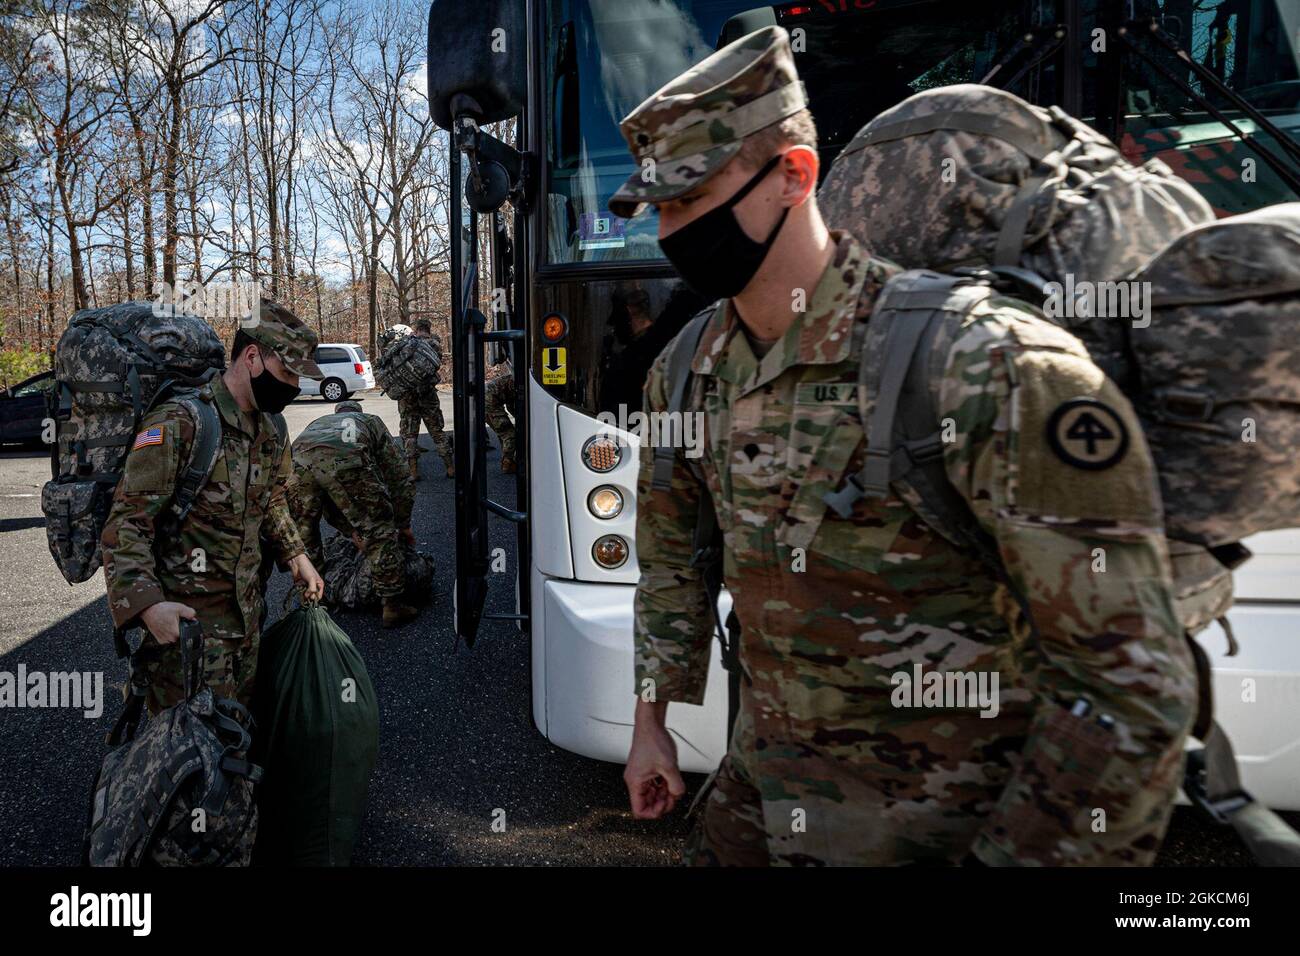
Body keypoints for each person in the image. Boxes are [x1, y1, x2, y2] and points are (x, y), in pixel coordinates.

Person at [611, 26, 1196, 866]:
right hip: (761, 799)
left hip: (947, 824)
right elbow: (670, 561)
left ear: (794, 176)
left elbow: (1130, 690)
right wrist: (651, 727)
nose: (672, 228)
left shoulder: (982, 363)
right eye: (658, 207)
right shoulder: (685, 371)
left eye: (692, 198)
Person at [101, 301, 326, 714]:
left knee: (236, 738)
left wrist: (296, 555)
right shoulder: (182, 423)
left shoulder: (271, 428)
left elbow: (272, 496)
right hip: (187, 634)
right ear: (253, 357)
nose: (293, 386)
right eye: (288, 373)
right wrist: (148, 606)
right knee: (184, 755)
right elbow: (127, 524)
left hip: (248, 620)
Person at [288, 399, 420, 628]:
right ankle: (392, 606)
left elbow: (330, 495)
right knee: (379, 526)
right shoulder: (370, 421)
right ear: (360, 411)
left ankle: (311, 599)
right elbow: (398, 474)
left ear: (336, 412)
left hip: (299, 461)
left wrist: (350, 530)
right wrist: (402, 522)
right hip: (346, 458)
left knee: (304, 532)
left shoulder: (319, 423)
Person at [398, 318, 454, 480]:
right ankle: (450, 467)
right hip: (428, 395)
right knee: (437, 431)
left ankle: (413, 471)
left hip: (407, 395)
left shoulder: (405, 343)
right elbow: (437, 363)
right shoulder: (434, 344)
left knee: (409, 434)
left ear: (415, 329)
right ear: (429, 329)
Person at [484, 365, 516, 474]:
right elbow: (512, 405)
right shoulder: (518, 382)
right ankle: (507, 463)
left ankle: (508, 458)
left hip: (488, 403)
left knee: (502, 433)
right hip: (490, 405)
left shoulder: (513, 378)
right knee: (510, 435)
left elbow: (511, 405)